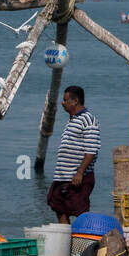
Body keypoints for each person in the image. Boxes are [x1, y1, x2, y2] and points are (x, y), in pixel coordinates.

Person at [46, 85, 100, 224]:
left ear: (75, 101)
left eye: (65, 100)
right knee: (58, 206)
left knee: (80, 212)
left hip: (78, 177)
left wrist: (80, 173)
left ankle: (83, 242)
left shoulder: (88, 120)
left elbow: (91, 151)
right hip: (62, 176)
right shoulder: (73, 119)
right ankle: (66, 240)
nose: (62, 103)